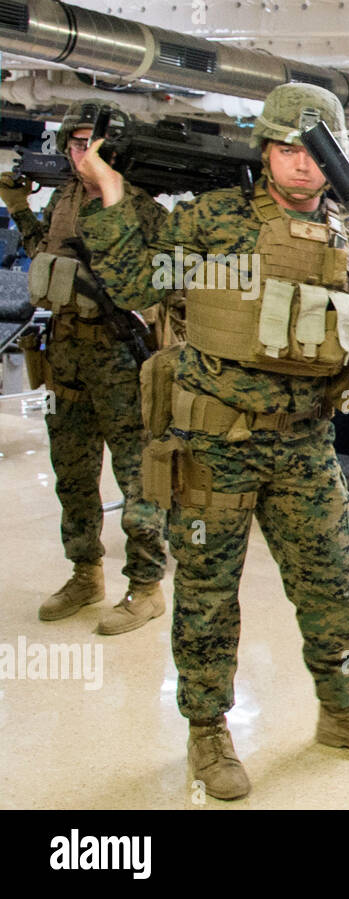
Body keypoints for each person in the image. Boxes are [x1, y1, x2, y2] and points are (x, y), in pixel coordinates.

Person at [76, 82, 349, 801]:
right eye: (286, 148)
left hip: (306, 445)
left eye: (317, 152)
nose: (303, 165)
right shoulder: (214, 220)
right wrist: (110, 189)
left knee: (334, 588)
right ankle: (208, 730)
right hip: (216, 442)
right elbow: (130, 274)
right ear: (265, 150)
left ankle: (341, 712)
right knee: (209, 595)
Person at [0, 103, 169, 635]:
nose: (81, 154)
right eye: (73, 144)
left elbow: (159, 284)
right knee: (72, 473)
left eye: (90, 143)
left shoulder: (139, 207)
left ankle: (145, 587)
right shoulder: (63, 201)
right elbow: (42, 257)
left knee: (138, 476)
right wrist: (20, 210)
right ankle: (85, 572)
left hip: (121, 357)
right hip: (65, 352)